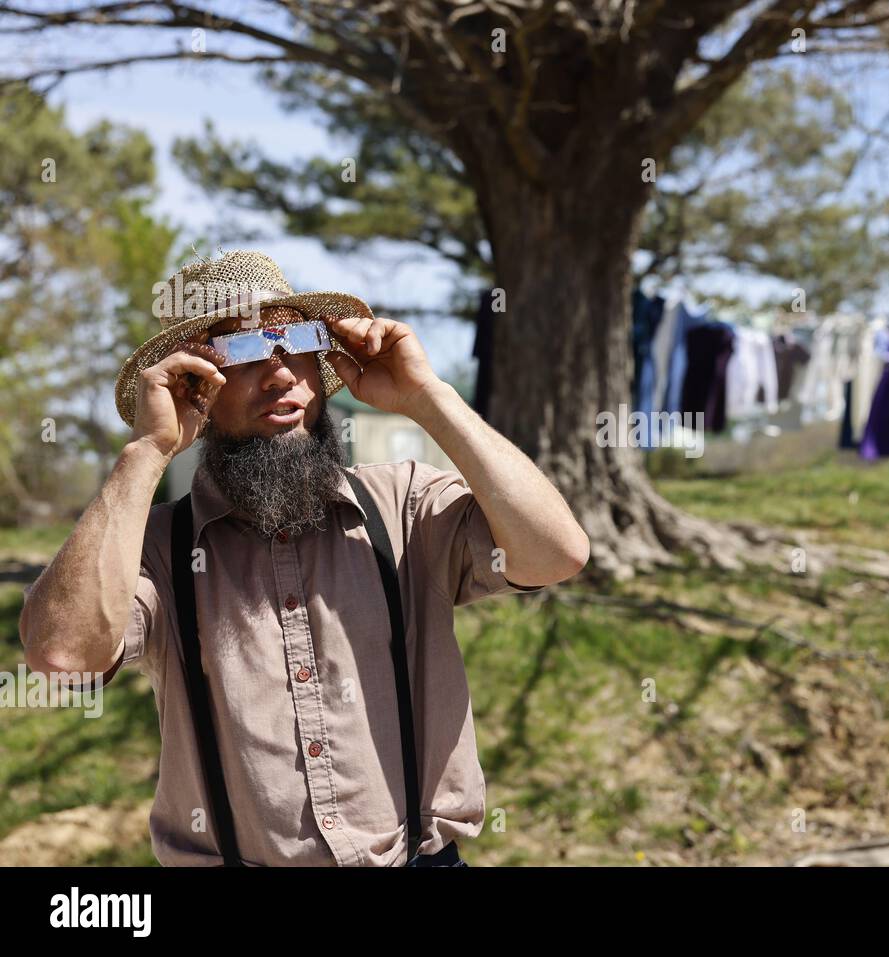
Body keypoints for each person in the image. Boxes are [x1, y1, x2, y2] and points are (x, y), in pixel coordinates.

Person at [19, 250, 589, 866]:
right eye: (240, 350)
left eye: (294, 339)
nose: (279, 372)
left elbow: (555, 554)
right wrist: (146, 453)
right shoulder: (157, 548)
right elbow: (63, 657)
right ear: (193, 385)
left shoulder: (402, 505)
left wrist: (428, 397)